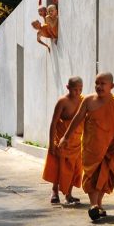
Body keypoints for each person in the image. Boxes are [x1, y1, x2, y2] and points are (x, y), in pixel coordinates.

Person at [57, 72, 114, 222]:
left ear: (112, 86)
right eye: (97, 83)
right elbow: (78, 117)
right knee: (92, 175)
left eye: (103, 84)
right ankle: (93, 205)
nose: (99, 86)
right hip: (92, 145)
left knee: (105, 174)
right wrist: (66, 136)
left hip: (111, 146)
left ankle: (98, 204)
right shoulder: (89, 101)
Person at [42, 76, 84, 205]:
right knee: (59, 167)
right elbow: (53, 123)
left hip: (76, 141)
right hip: (62, 141)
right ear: (68, 88)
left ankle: (69, 195)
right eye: (75, 89)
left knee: (75, 168)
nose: (78, 92)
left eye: (80, 89)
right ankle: (54, 191)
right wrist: (51, 144)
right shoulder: (62, 102)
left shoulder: (84, 101)